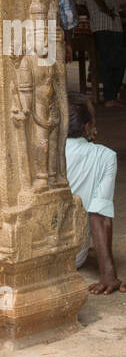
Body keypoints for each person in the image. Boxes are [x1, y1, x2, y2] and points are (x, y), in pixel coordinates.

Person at [65, 93, 124, 294]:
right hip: (71, 258)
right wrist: (108, 274)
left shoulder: (43, 151)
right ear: (87, 127)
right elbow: (99, 214)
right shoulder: (105, 157)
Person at [77, 0, 126, 108]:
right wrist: (106, 11)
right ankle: (110, 97)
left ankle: (109, 96)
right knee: (117, 61)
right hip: (110, 25)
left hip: (97, 26)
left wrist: (93, 13)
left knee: (105, 61)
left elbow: (80, 5)